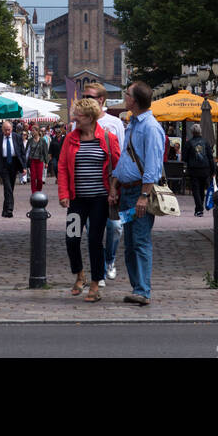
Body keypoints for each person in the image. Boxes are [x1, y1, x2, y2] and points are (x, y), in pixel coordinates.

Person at [108, 79, 166, 306]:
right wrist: (114, 184)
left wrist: (144, 196)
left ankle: (143, 290)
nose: (124, 97)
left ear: (135, 100)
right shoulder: (133, 124)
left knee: (140, 241)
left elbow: (152, 165)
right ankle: (136, 288)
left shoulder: (150, 127)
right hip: (127, 193)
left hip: (139, 194)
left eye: (127, 94)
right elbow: (125, 158)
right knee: (130, 242)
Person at [58, 98, 121, 302]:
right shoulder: (70, 139)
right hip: (77, 200)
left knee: (95, 240)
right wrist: (63, 194)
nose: (75, 118)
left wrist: (113, 190)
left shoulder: (107, 138)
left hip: (99, 200)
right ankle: (79, 274)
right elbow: (62, 167)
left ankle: (96, 282)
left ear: (91, 117)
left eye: (80, 115)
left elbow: (117, 167)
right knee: (71, 238)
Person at [80, 80, 125, 286]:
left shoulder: (114, 123)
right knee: (93, 232)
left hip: (110, 186)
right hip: (88, 187)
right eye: (83, 97)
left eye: (88, 97)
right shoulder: (78, 122)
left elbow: (121, 156)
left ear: (101, 100)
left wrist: (117, 185)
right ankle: (98, 273)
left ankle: (110, 260)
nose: (84, 100)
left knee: (115, 227)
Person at [0, 119, 26, 217]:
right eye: (5, 130)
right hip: (3, 164)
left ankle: (4, 210)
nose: (7, 132)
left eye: (9, 130)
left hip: (14, 163)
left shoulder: (17, 137)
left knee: (11, 187)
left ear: (12, 129)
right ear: (2, 129)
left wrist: (24, 166)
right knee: (7, 187)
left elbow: (22, 152)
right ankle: (10, 209)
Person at [181, 124, 215, 216]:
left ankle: (199, 209)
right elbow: (210, 157)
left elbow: (184, 158)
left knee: (196, 190)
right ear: (200, 131)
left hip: (194, 169)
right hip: (205, 169)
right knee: (202, 189)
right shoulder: (205, 142)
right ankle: (199, 209)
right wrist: (213, 171)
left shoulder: (189, 143)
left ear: (192, 132)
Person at [26, 125, 49, 196]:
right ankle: (34, 193)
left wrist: (46, 162)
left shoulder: (43, 140)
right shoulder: (30, 140)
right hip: (32, 160)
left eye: (34, 130)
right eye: (32, 130)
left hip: (40, 160)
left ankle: (38, 191)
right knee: (33, 178)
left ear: (37, 131)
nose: (32, 132)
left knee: (39, 179)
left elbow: (45, 152)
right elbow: (27, 151)